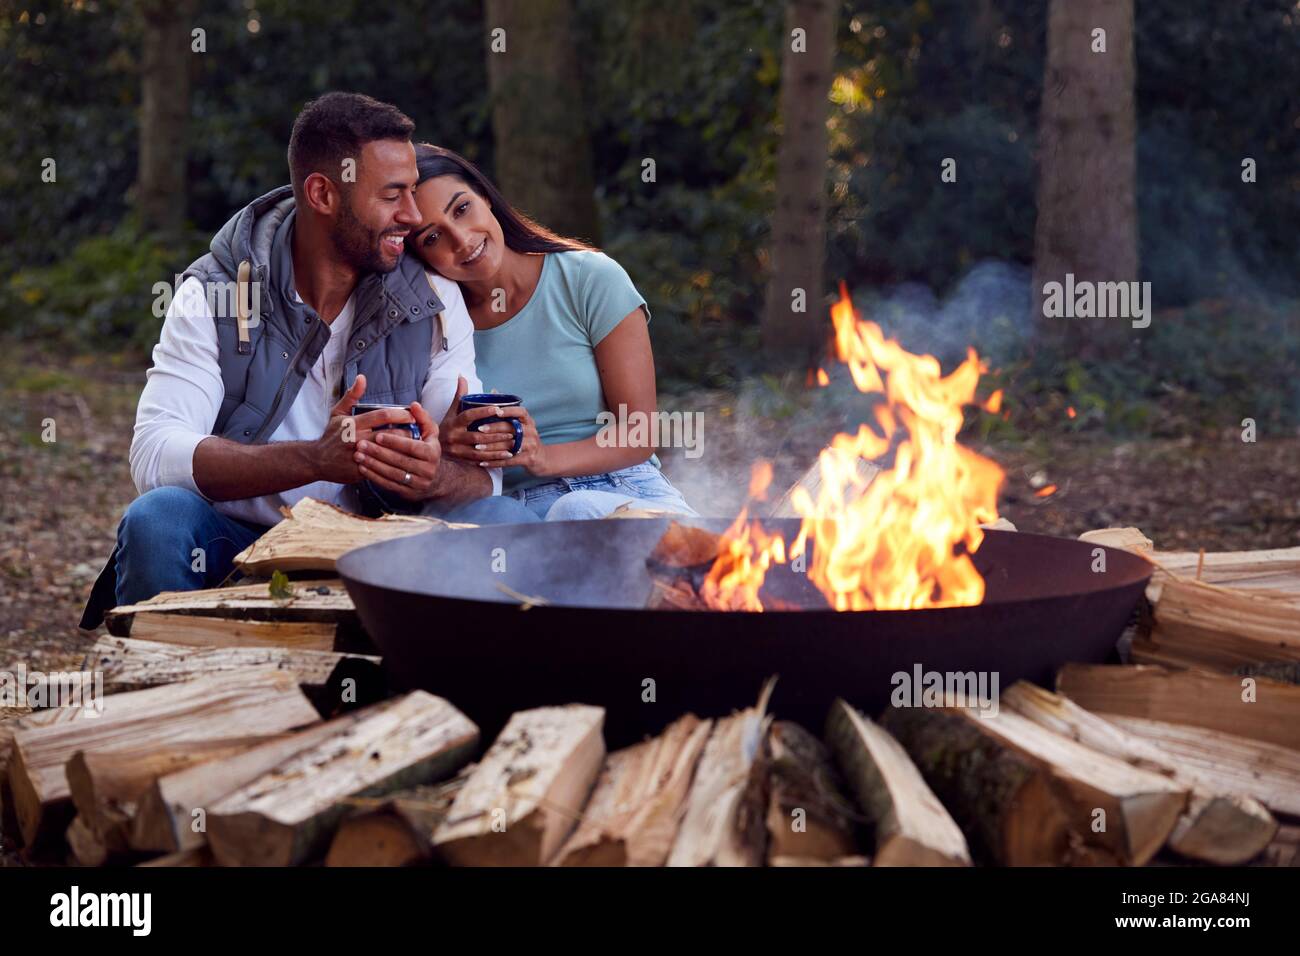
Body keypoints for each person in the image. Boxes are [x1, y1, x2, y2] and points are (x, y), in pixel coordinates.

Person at [80, 94, 537, 630]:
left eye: (412, 191)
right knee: (157, 521)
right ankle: (165, 693)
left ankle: (467, 704)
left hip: (383, 545)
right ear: (322, 193)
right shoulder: (215, 293)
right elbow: (156, 454)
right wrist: (315, 460)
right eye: (393, 195)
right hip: (241, 543)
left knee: (505, 521)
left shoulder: (431, 295)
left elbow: (480, 480)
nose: (412, 217)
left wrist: (435, 473)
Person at [406, 144, 697, 521]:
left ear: (486, 196)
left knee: (575, 511)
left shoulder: (589, 278)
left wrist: (541, 457)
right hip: (506, 512)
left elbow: (639, 433)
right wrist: (446, 443)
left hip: (619, 491)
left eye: (462, 209)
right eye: (432, 237)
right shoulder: (431, 328)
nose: (460, 240)